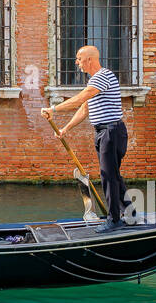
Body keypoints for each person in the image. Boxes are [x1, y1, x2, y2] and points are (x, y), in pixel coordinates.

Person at [42, 45, 133, 229]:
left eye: (79, 59)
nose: (77, 63)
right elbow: (84, 108)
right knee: (113, 174)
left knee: (108, 175)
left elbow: (82, 97)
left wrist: (53, 109)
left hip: (111, 132)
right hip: (104, 132)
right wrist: (65, 128)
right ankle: (130, 214)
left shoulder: (103, 76)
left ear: (89, 59)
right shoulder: (94, 81)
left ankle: (114, 220)